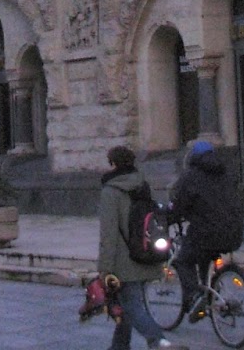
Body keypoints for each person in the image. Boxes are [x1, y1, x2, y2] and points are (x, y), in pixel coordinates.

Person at [97, 145, 175, 350]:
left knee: (130, 305)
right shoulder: (142, 185)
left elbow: (109, 234)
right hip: (145, 254)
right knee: (126, 305)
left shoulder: (110, 191)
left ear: (113, 164)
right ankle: (119, 347)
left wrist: (104, 269)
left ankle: (158, 341)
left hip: (124, 263)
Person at [165, 140, 244, 324]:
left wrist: (170, 218)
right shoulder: (226, 173)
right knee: (203, 254)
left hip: (207, 233)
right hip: (234, 232)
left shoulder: (190, 176)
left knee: (183, 260)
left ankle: (195, 296)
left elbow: (179, 206)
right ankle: (207, 293)